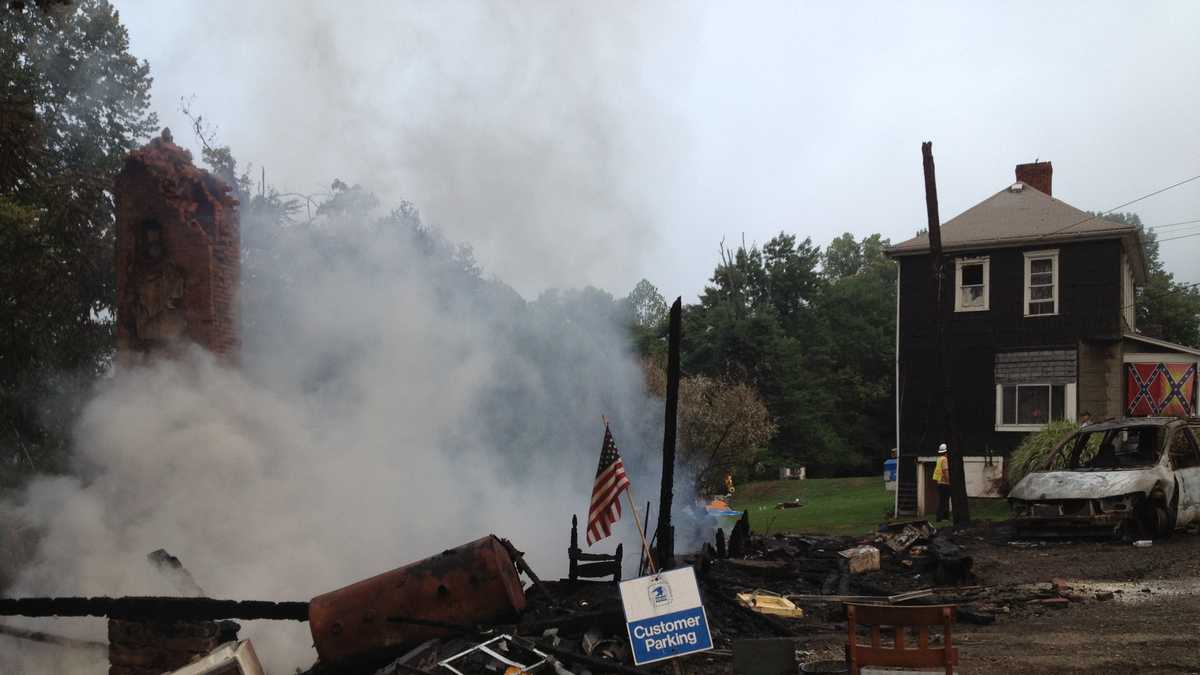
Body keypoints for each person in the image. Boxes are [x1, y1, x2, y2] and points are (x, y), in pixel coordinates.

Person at [932, 443, 951, 521]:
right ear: (946, 452)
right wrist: (949, 481)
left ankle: (943, 517)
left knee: (942, 501)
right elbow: (945, 471)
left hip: (939, 482)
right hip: (945, 483)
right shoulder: (945, 459)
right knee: (944, 501)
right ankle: (940, 517)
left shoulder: (939, 459)